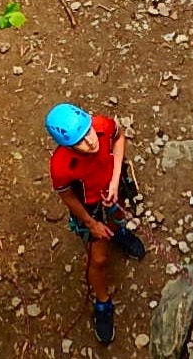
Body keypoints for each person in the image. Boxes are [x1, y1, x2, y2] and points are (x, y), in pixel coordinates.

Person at [45, 103, 146, 345]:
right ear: (67, 145)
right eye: (80, 141)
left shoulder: (102, 125)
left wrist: (113, 181)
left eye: (88, 132)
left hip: (111, 188)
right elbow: (68, 197)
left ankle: (119, 232)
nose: (90, 142)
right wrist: (91, 224)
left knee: (118, 216)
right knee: (98, 259)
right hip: (91, 206)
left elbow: (119, 137)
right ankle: (102, 303)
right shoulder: (61, 166)